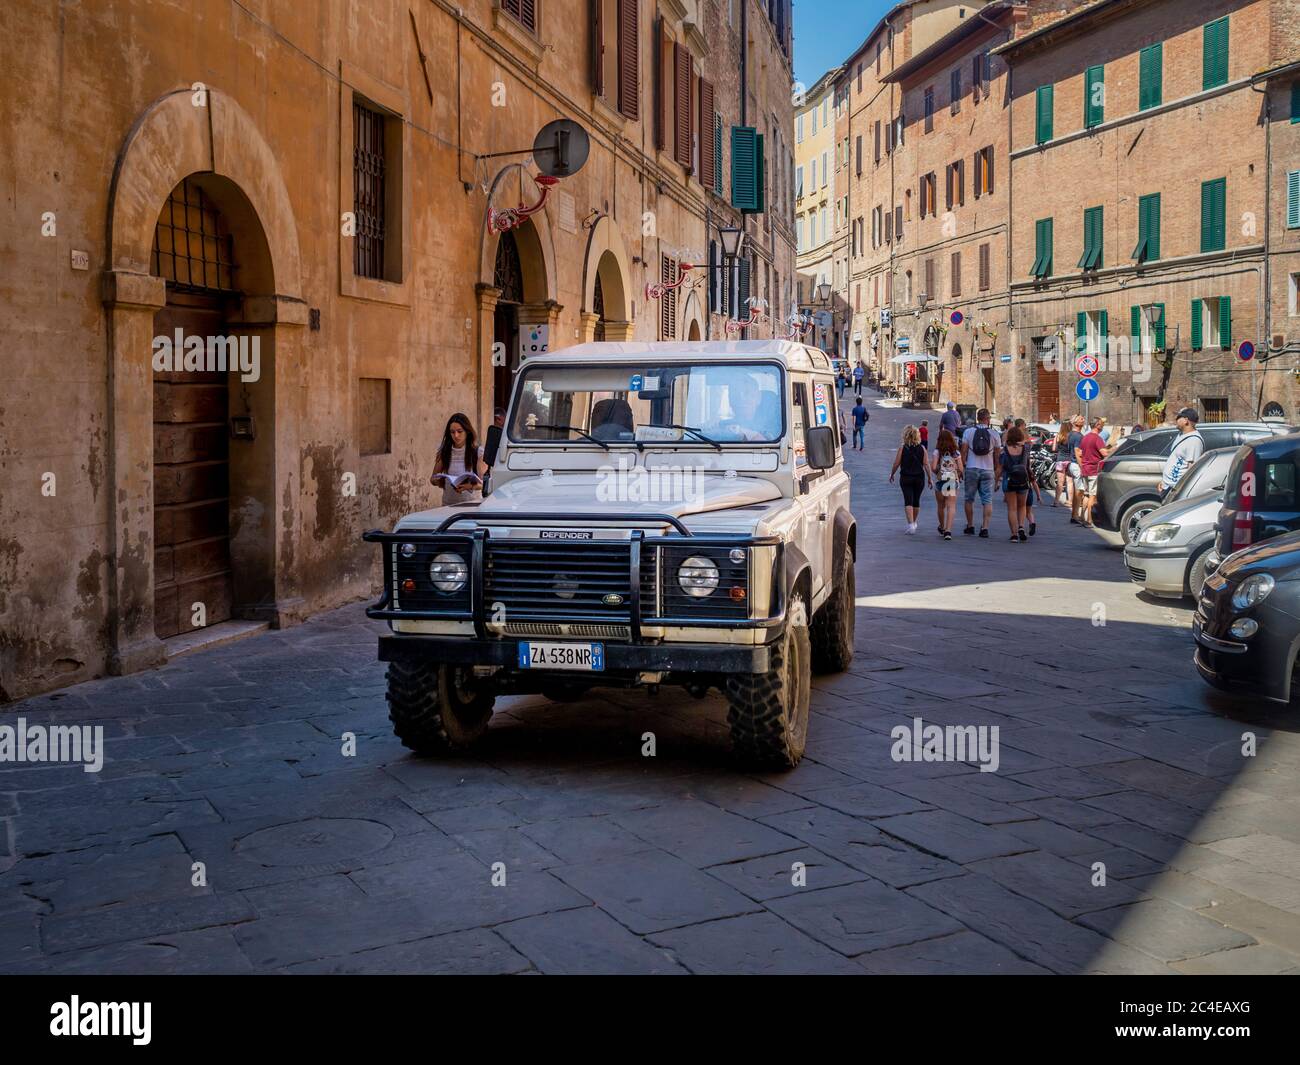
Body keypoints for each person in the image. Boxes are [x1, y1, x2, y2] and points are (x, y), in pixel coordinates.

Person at [960, 408, 1002, 538]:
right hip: (988, 469)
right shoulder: (994, 434)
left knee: (969, 499)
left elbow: (963, 452)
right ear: (988, 419)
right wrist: (996, 471)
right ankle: (984, 528)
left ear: (977, 418)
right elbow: (997, 456)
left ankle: (970, 525)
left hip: (972, 468)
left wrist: (962, 468)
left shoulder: (968, 432)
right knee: (987, 500)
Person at [430, 412, 488, 506]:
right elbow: (432, 479)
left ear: (467, 431)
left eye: (460, 431)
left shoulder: (478, 453)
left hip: (471, 506)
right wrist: (440, 480)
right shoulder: (444, 451)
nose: (456, 435)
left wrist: (469, 486)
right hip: (448, 505)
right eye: (452, 432)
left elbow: (483, 484)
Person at [889, 425, 932, 534]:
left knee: (908, 500)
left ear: (905, 435)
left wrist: (892, 474)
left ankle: (911, 524)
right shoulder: (922, 448)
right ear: (918, 436)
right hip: (919, 478)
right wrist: (930, 478)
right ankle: (914, 522)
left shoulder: (902, 448)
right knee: (916, 500)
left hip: (906, 477)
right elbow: (926, 464)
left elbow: (896, 463)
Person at [1075, 416, 1115, 529]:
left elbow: (1080, 453)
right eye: (1101, 424)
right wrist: (1114, 449)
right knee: (1093, 495)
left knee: (1087, 494)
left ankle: (1082, 517)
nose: (1103, 426)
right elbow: (1105, 454)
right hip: (1093, 470)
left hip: (1085, 470)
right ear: (1097, 425)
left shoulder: (1085, 438)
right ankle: (1089, 520)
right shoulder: (1097, 438)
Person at [1158, 407, 1205, 497]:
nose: (1176, 420)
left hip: (1175, 490)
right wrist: (1164, 482)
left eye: (1178, 418)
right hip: (1167, 486)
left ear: (1186, 420)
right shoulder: (1181, 435)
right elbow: (1175, 459)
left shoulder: (1194, 441)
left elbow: (1191, 469)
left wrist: (1180, 491)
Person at [1002, 425, 1033, 542]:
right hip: (1022, 480)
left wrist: (996, 482)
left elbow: (1000, 467)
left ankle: (1014, 534)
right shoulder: (1025, 448)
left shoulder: (1005, 449)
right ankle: (1021, 527)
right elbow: (1029, 441)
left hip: (1008, 479)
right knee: (1022, 506)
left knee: (1011, 508)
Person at [931, 428, 964, 540]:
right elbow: (961, 468)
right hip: (950, 480)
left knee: (941, 505)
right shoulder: (956, 452)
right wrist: (956, 474)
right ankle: (948, 531)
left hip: (941, 481)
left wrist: (939, 473)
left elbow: (933, 467)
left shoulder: (937, 452)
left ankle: (942, 526)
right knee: (951, 505)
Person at [1014, 418, 1038, 536]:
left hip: (1015, 478)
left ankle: (1019, 528)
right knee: (1027, 508)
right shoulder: (1027, 449)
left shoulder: (1011, 448)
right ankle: (1031, 523)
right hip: (1026, 479)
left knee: (1017, 507)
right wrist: (1039, 495)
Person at [1065, 414, 1086, 525]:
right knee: (1079, 492)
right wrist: (1082, 467)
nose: (1083, 420)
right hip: (1077, 465)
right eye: (1081, 419)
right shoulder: (1078, 436)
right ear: (1075, 423)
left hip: (1072, 464)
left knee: (1077, 491)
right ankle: (1075, 516)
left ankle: (1074, 515)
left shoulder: (1070, 434)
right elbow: (1078, 452)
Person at [1051, 423, 1074, 509]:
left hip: (1060, 460)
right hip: (1070, 460)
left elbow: (1053, 449)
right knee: (1070, 482)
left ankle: (1056, 501)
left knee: (1060, 482)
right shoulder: (1071, 437)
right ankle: (1070, 502)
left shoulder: (1058, 436)